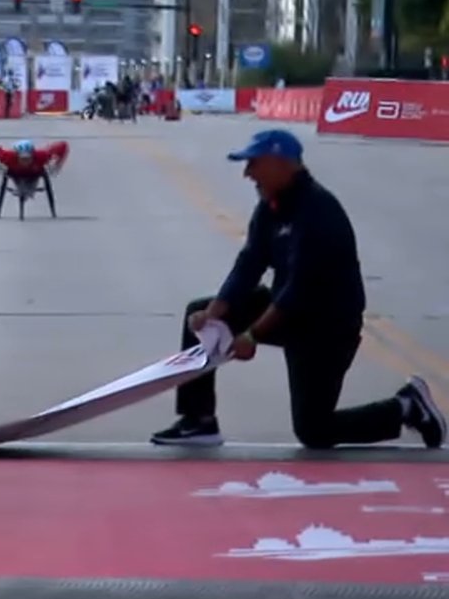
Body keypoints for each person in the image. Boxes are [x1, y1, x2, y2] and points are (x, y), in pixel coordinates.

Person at [151, 129, 445, 450]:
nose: (247, 173)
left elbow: (300, 291)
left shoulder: (319, 212)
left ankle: (406, 407)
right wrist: (214, 312)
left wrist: (251, 336)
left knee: (314, 430)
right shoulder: (272, 206)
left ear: (281, 163)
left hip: (327, 327)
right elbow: (250, 264)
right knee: (201, 315)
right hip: (287, 307)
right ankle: (199, 421)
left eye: (253, 164)